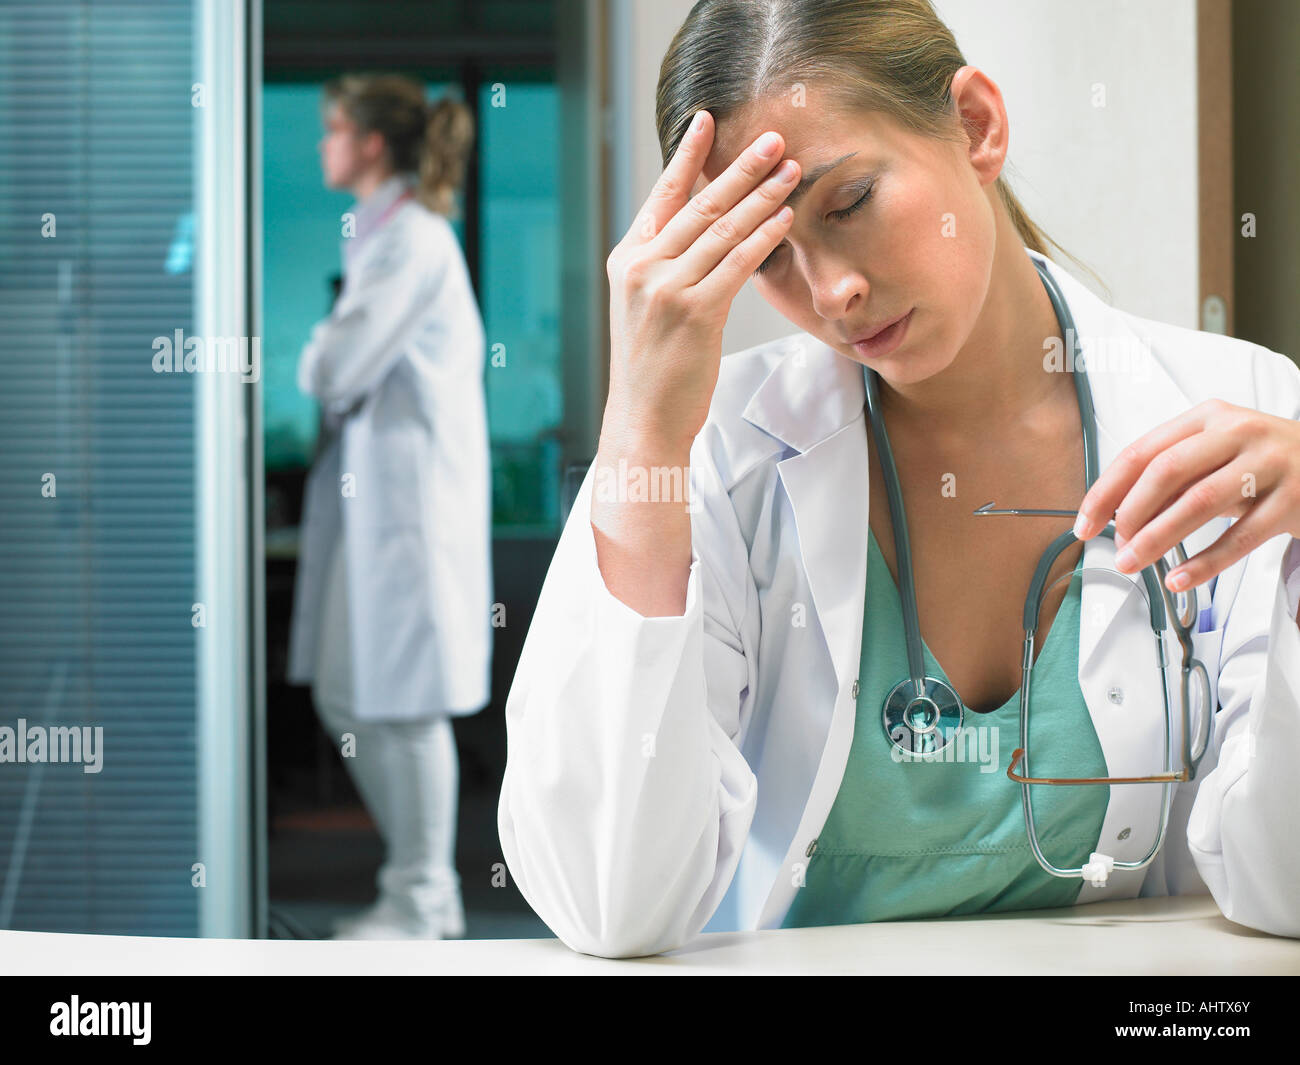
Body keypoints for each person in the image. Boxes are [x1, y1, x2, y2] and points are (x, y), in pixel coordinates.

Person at [497, 0, 1300, 958]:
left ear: (977, 127)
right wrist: (637, 440)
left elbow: (1284, 882)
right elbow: (609, 902)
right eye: (770, 256)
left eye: (848, 204)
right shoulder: (713, 458)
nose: (831, 291)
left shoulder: (1241, 405)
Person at [286, 74, 492, 940]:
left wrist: (318, 347)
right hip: (374, 507)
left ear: (371, 143)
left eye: (333, 129)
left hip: (410, 514)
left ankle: (423, 899)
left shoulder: (412, 240)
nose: (323, 145)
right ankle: (412, 888)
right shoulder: (385, 239)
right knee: (345, 691)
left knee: (404, 701)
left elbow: (330, 370)